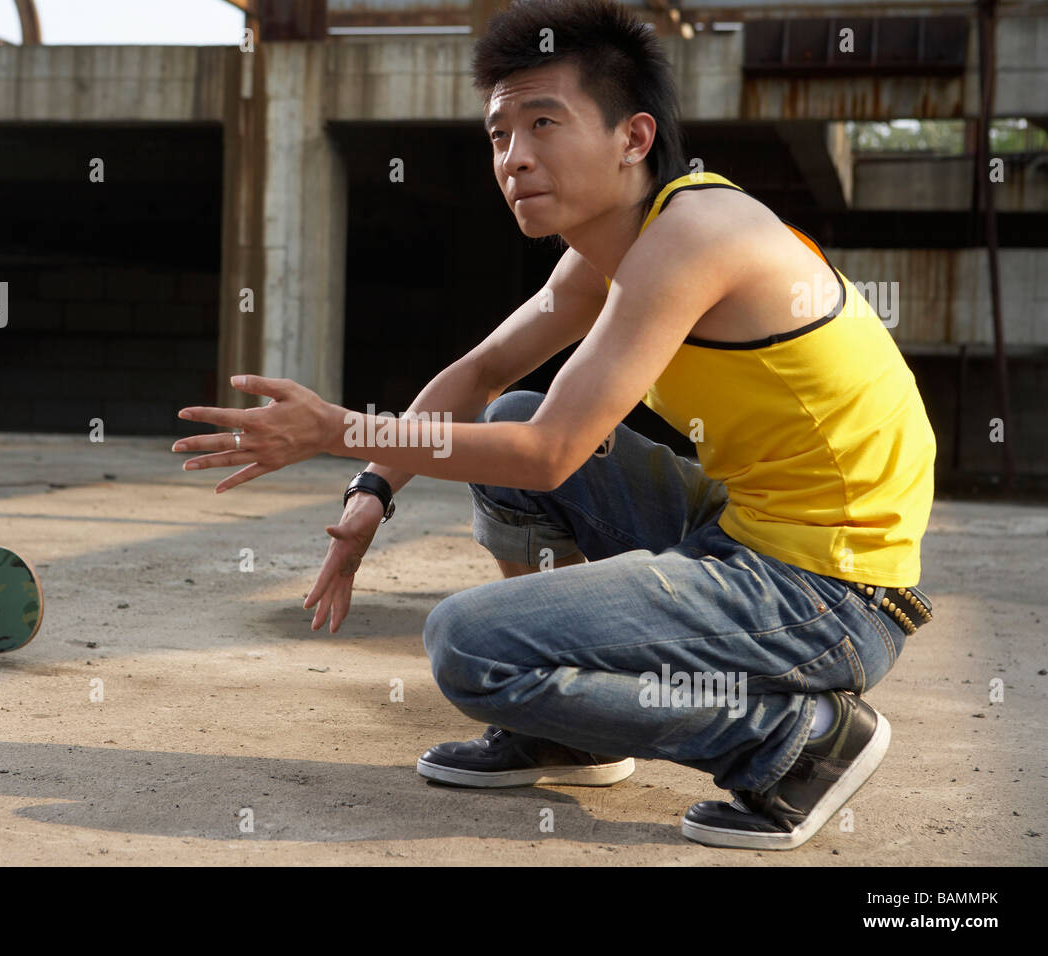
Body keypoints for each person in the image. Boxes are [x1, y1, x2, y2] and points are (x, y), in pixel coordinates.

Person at [171, 0, 937, 851]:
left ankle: (785, 744)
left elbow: (550, 457)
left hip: (831, 596)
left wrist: (336, 428)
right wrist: (370, 493)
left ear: (633, 138)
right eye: (499, 134)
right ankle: (572, 730)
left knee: (467, 644)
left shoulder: (698, 233)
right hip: (746, 534)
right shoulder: (610, 246)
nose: (515, 158)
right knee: (510, 411)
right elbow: (481, 374)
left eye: (544, 123)